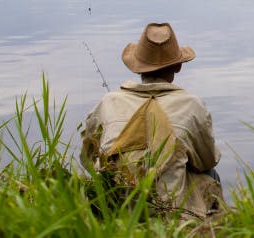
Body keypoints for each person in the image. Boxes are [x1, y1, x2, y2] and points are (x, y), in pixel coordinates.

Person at [80, 22, 222, 218]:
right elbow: (207, 161)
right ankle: (208, 223)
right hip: (171, 211)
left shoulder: (108, 101)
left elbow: (87, 157)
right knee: (211, 173)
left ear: (137, 67)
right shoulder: (192, 105)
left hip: (114, 206)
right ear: (178, 66)